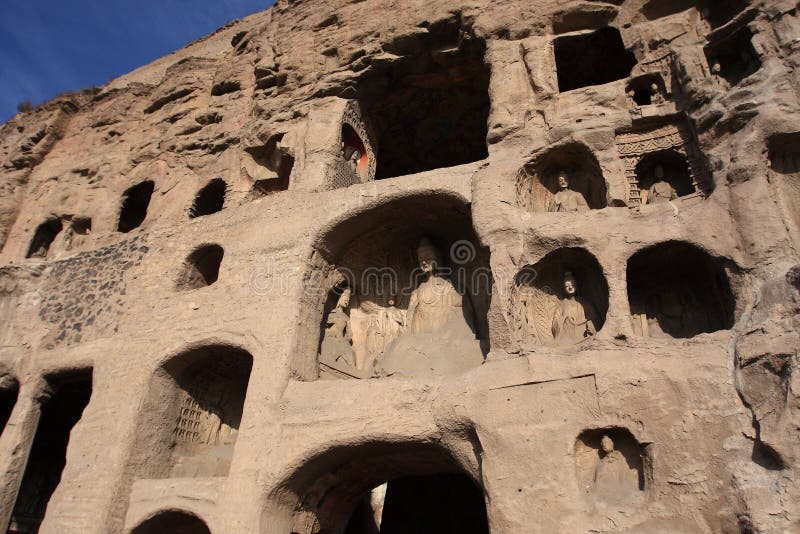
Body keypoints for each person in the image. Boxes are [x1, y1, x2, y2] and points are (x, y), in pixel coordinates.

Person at [552, 271, 598, 344]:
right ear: (563, 288)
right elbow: (555, 322)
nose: (570, 287)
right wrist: (565, 320)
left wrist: (589, 325)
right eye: (567, 286)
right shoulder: (561, 305)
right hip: (567, 338)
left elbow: (593, 318)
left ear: (576, 285)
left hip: (583, 336)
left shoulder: (584, 303)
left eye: (572, 284)